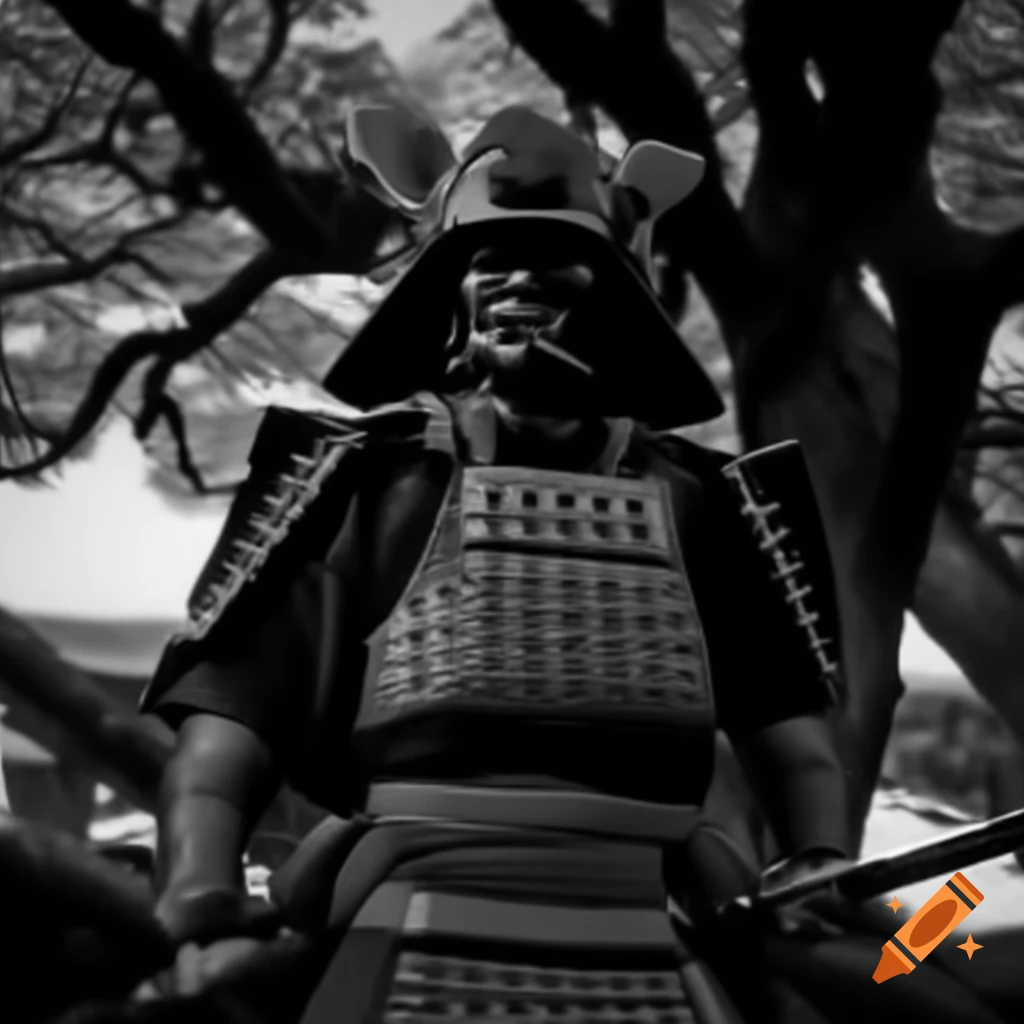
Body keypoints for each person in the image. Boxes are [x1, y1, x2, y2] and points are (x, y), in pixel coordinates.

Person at [141, 106, 856, 1023]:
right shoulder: (360, 480)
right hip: (395, 894)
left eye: (554, 256)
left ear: (620, 290)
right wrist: (199, 896)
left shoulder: (710, 501)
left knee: (924, 981)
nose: (519, 278)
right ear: (449, 292)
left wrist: (823, 858)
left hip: (657, 899)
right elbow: (223, 741)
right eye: (489, 258)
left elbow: (796, 751)